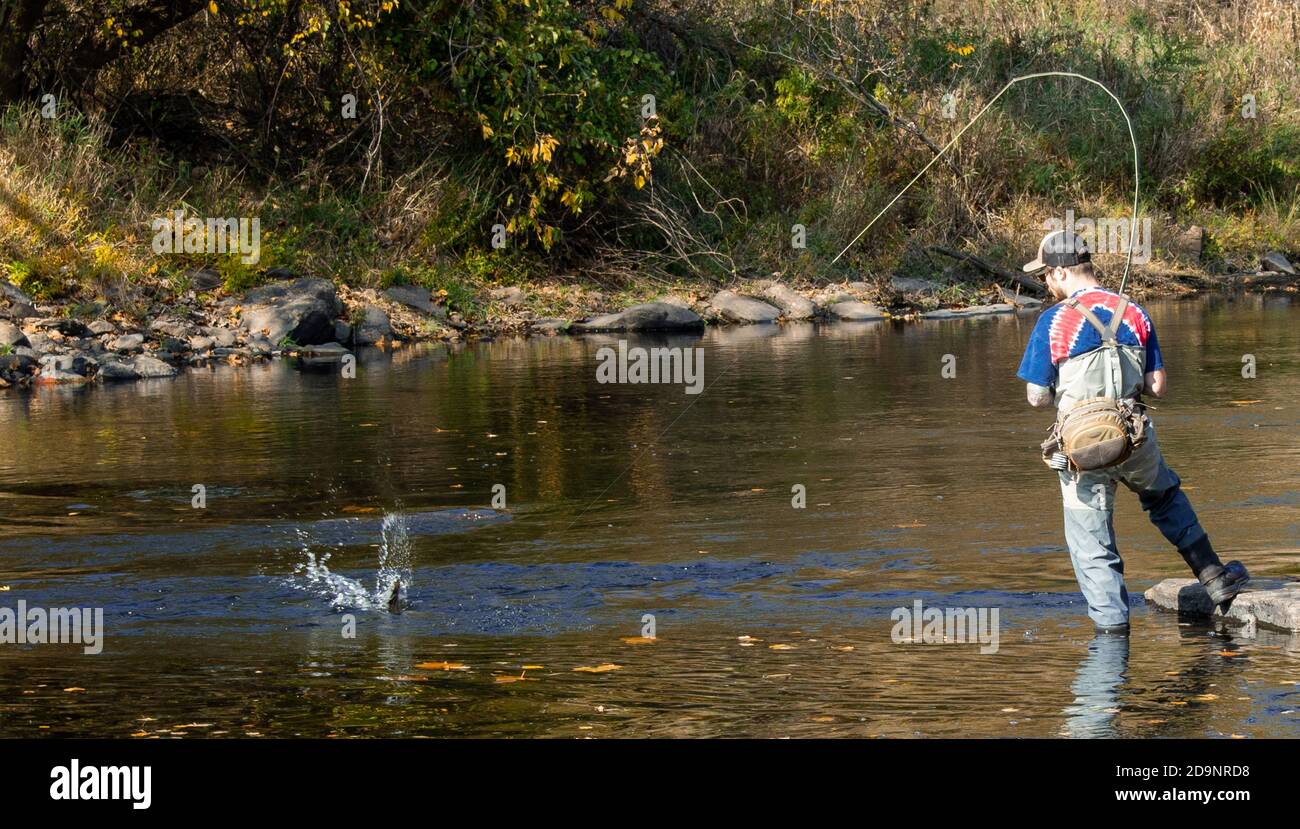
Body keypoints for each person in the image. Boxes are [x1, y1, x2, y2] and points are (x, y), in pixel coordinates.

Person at [1016, 230, 1248, 634]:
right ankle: (1215, 578)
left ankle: (1112, 628)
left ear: (1059, 273)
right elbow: (1158, 386)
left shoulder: (1053, 321)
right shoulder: (1135, 312)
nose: (1046, 285)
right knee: (1164, 498)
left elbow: (1036, 397)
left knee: (1090, 539)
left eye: (1046, 277)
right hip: (1134, 439)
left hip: (1081, 450)